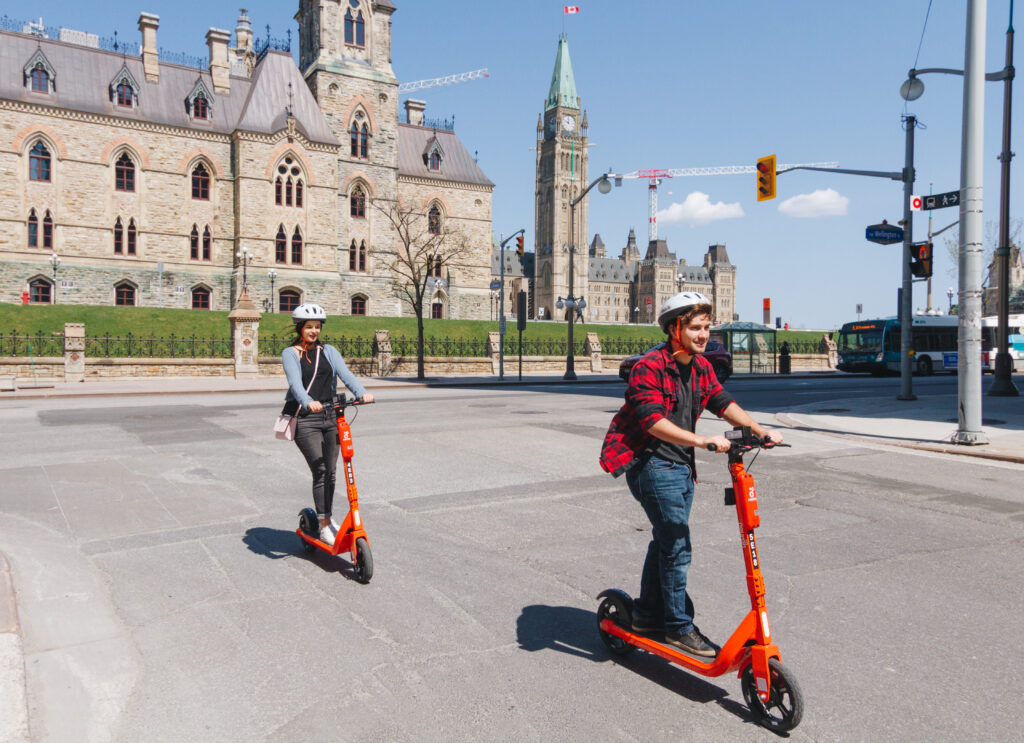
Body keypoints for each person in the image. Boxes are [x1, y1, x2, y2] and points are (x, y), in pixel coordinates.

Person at [599, 292, 783, 657]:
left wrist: (761, 431)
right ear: (674, 329)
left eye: (707, 327)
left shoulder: (700, 366)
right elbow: (653, 422)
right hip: (650, 463)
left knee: (666, 540)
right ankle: (678, 628)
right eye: (695, 328)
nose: (703, 335)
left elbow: (724, 403)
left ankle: (649, 613)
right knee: (677, 546)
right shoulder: (648, 367)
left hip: (681, 465)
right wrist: (703, 441)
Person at [281, 304, 374, 545]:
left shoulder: (329, 350)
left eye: (317, 327)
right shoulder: (291, 354)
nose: (313, 331)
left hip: (332, 415)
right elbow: (295, 384)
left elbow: (346, 374)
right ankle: (323, 526)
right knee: (320, 470)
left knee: (332, 472)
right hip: (306, 419)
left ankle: (326, 517)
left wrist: (362, 393)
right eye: (309, 327)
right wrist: (308, 401)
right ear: (300, 328)